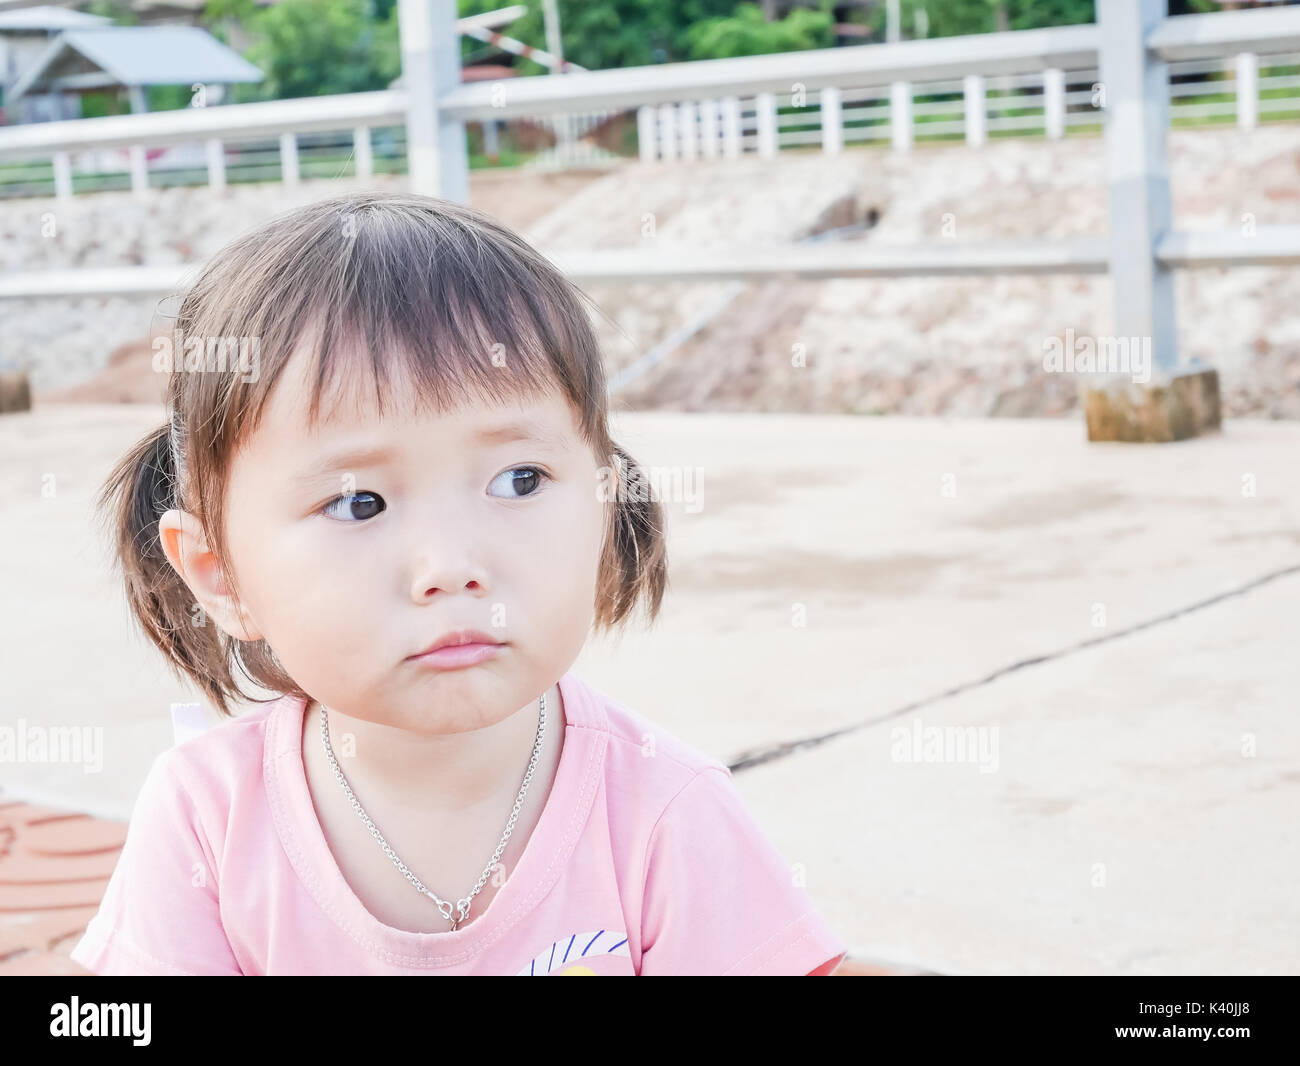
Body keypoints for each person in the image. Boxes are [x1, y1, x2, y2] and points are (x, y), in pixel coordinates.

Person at [68, 191, 848, 976]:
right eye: (357, 502)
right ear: (219, 573)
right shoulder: (208, 817)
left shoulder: (664, 815)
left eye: (518, 480)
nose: (450, 566)